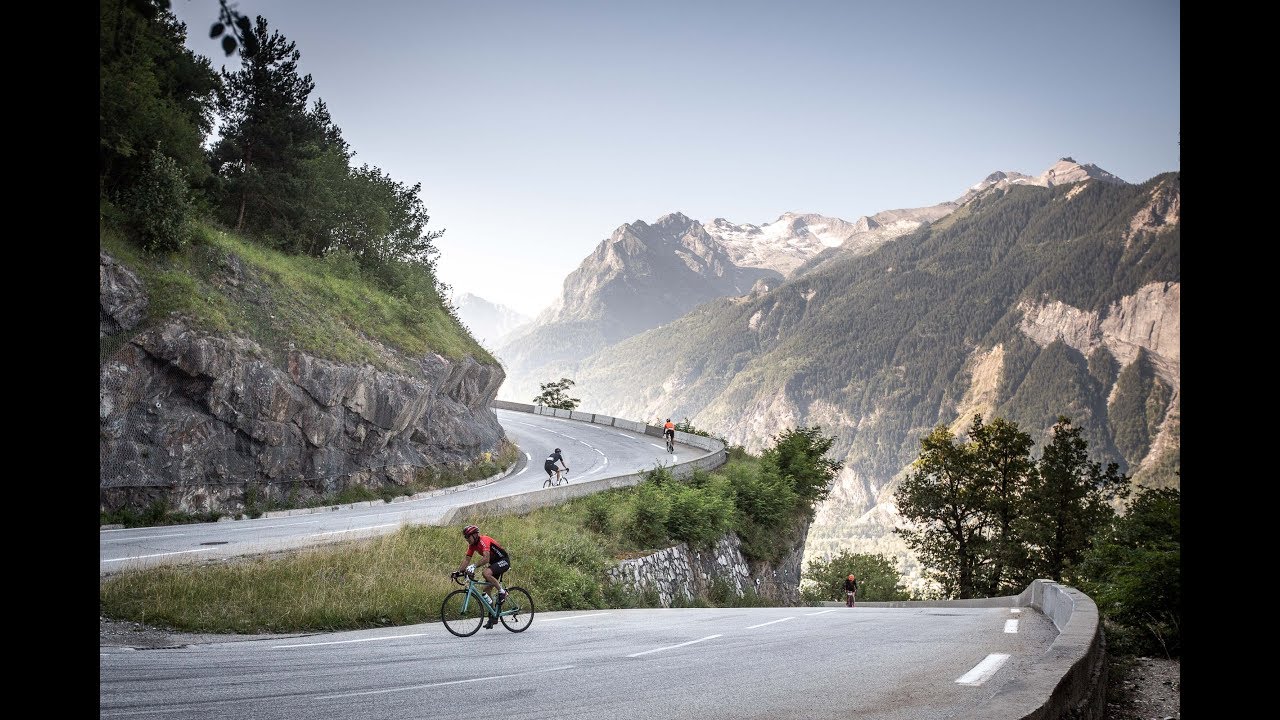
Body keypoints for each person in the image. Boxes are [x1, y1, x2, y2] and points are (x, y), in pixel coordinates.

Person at [452, 524, 512, 629]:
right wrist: (458, 572)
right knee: (486, 591)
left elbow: (486, 558)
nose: (467, 539)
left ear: (475, 535)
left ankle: (503, 592)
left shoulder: (484, 540)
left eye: (468, 537)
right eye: (465, 537)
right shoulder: (472, 546)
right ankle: (493, 617)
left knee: (486, 573)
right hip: (495, 564)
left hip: (503, 561)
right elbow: (467, 560)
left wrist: (474, 566)